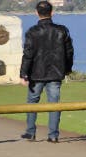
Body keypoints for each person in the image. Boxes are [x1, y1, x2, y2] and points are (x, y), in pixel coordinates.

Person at [19, 1, 74, 143]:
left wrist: (23, 74)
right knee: (54, 104)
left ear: (36, 13)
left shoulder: (32, 32)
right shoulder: (62, 31)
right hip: (55, 73)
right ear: (52, 12)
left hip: (36, 74)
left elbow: (28, 54)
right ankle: (53, 135)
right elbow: (69, 52)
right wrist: (67, 69)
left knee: (32, 102)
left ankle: (30, 132)